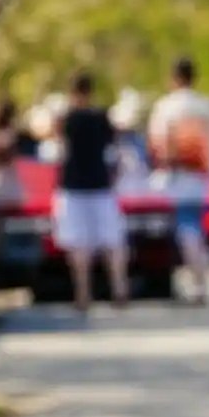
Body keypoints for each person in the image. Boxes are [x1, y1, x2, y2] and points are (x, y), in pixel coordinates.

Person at [54, 72, 129, 312]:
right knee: (112, 241)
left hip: (73, 186)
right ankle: (119, 289)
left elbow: (58, 148)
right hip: (101, 185)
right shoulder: (102, 117)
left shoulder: (66, 119)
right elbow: (115, 147)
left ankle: (83, 294)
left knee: (78, 245)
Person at [148, 57, 209, 305]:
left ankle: (196, 281)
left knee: (185, 229)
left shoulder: (167, 107)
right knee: (196, 227)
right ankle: (199, 282)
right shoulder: (207, 106)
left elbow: (158, 142)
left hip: (176, 177)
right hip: (200, 177)